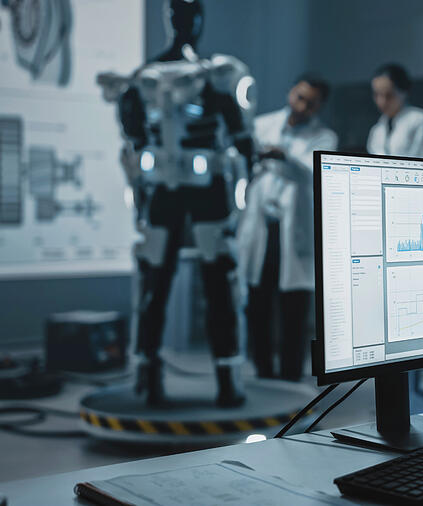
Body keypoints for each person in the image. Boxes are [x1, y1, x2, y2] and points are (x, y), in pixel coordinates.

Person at [97, 0, 254, 407]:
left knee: (218, 282)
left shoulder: (213, 75)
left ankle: (225, 377)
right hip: (164, 190)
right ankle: (148, 376)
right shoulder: (143, 78)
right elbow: (133, 135)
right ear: (170, 19)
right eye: (178, 13)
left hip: (205, 189)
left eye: (191, 13)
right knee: (156, 282)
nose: (185, 21)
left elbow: (240, 135)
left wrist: (243, 179)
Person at [238, 74, 337, 380]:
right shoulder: (261, 125)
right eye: (299, 96)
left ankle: (291, 379)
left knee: (293, 310)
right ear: (290, 92)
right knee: (257, 304)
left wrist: (281, 156)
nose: (302, 105)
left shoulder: (324, 138)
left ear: (318, 108)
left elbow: (309, 173)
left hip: (292, 230)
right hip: (261, 226)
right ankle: (263, 374)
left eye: (310, 103)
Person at [367, 63, 423, 158]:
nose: (381, 102)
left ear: (404, 92)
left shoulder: (420, 120)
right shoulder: (377, 130)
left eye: (389, 95)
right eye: (377, 95)